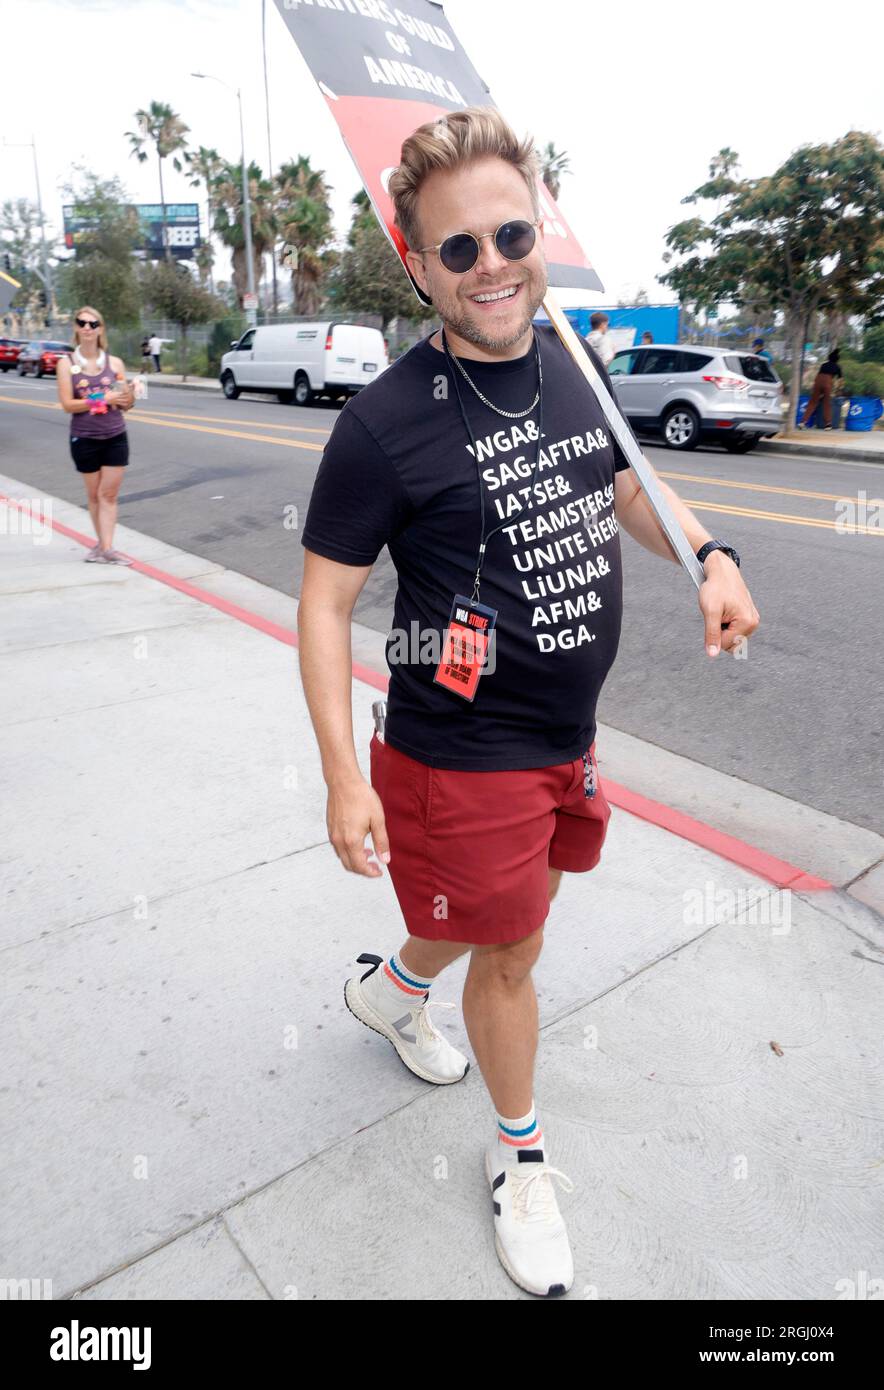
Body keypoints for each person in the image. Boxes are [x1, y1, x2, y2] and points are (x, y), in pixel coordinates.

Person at [297, 107, 760, 1299]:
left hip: (565, 737)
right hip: (459, 752)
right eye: (458, 248)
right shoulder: (380, 425)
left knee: (503, 914)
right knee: (511, 949)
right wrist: (343, 775)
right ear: (418, 264)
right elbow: (324, 604)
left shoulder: (568, 358)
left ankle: (390, 991)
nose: (491, 265)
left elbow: (625, 486)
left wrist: (708, 556)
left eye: (510, 234)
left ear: (538, 229)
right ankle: (519, 1158)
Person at [56, 305, 136, 563]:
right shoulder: (66, 364)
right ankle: (102, 546)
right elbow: (68, 404)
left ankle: (107, 549)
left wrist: (129, 396)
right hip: (84, 437)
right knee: (94, 495)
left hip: (115, 435)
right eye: (82, 323)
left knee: (108, 494)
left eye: (93, 324)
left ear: (101, 329)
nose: (87, 328)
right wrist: (103, 398)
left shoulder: (115, 363)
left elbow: (125, 403)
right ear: (76, 328)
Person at [798, 348, 843, 430]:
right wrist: (838, 389)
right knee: (827, 403)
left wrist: (817, 389)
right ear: (837, 359)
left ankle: (803, 422)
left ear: (829, 358)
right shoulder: (837, 367)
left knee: (812, 402)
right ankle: (828, 424)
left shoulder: (824, 365)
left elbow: (818, 376)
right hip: (827, 381)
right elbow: (840, 380)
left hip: (818, 380)